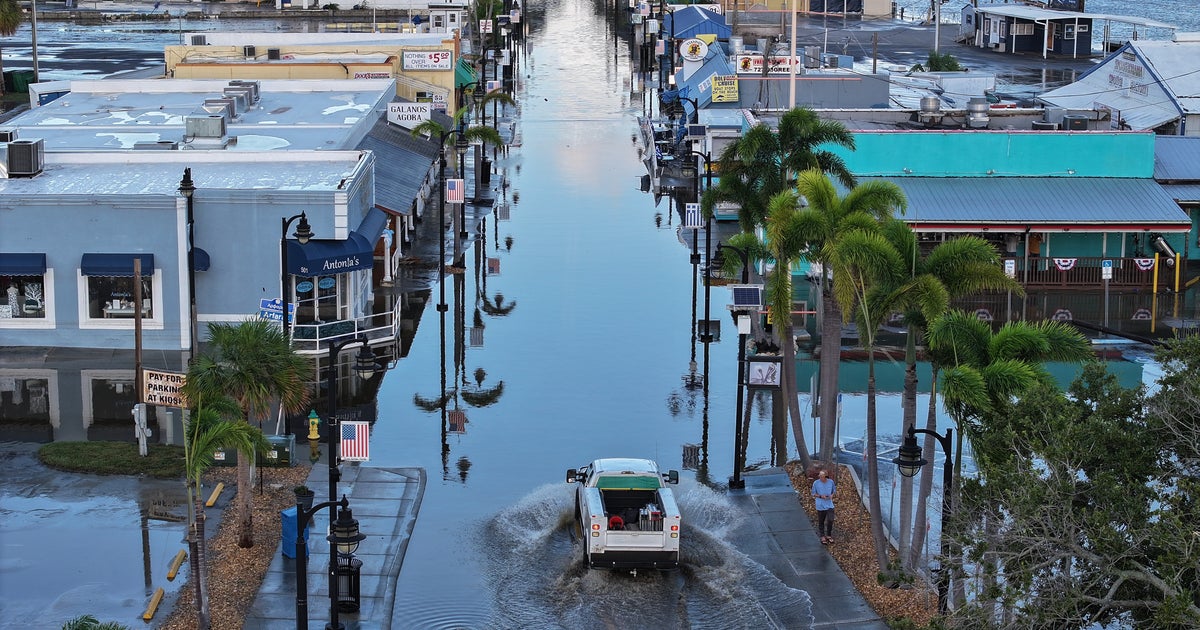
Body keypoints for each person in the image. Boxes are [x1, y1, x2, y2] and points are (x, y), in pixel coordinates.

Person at [812, 469, 836, 545]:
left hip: (829, 504)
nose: (821, 477)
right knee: (821, 521)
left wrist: (832, 495)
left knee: (830, 519)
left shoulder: (831, 482)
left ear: (826, 476)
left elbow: (834, 491)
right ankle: (822, 536)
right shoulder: (816, 483)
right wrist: (820, 496)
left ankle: (829, 534)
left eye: (822, 476)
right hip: (820, 504)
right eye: (820, 476)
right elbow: (813, 493)